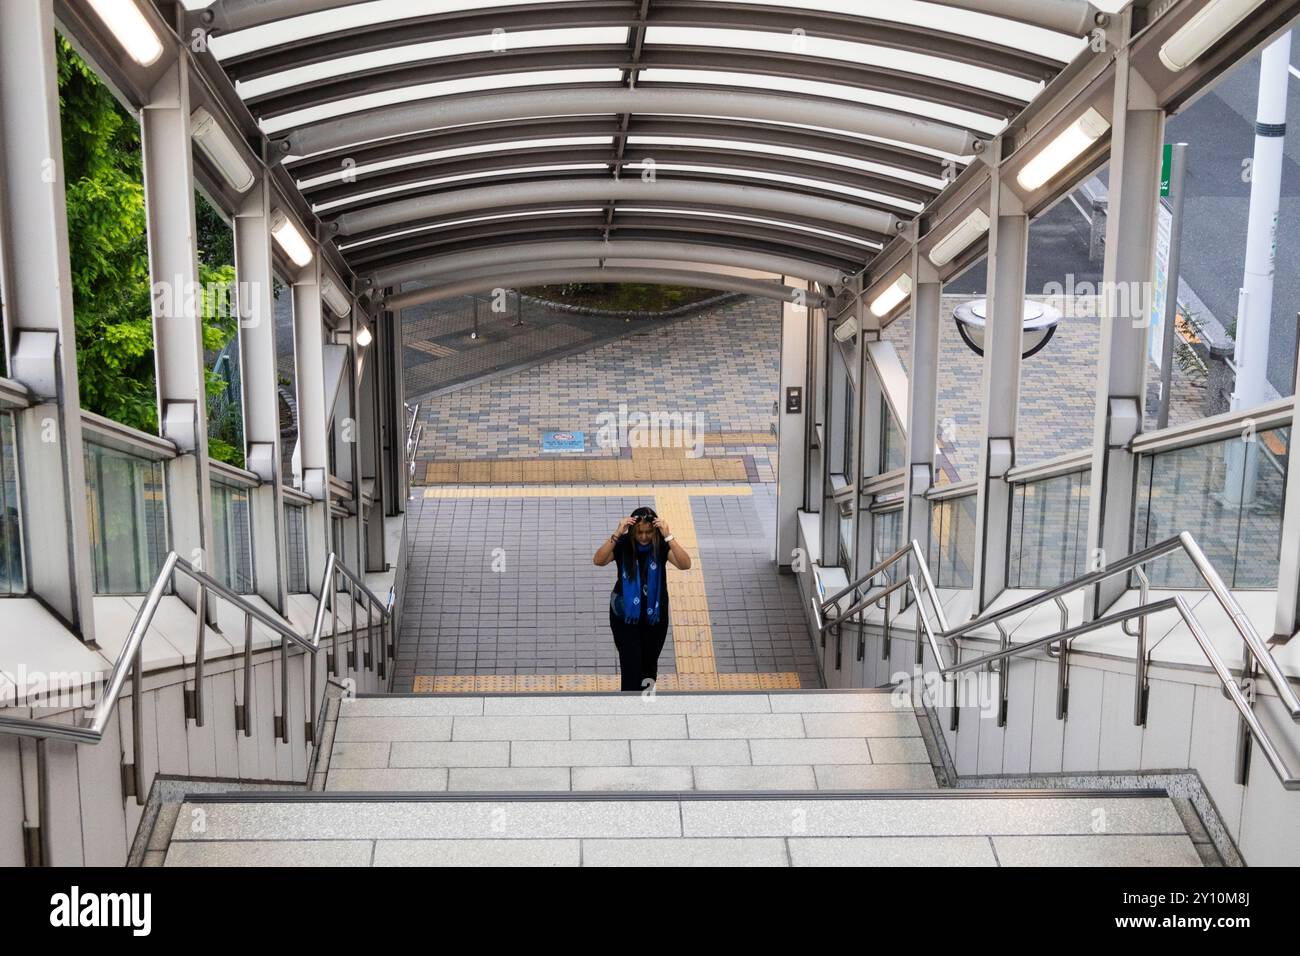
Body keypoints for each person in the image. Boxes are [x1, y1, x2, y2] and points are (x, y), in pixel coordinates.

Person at [593, 505, 691, 691]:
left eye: (648, 532)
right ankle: (631, 705)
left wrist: (668, 536)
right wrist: (617, 533)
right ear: (632, 531)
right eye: (639, 533)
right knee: (630, 664)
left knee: (649, 663)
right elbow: (599, 560)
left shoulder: (661, 545)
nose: (644, 537)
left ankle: (646, 700)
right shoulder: (622, 544)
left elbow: (685, 564)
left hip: (654, 616)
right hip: (624, 616)